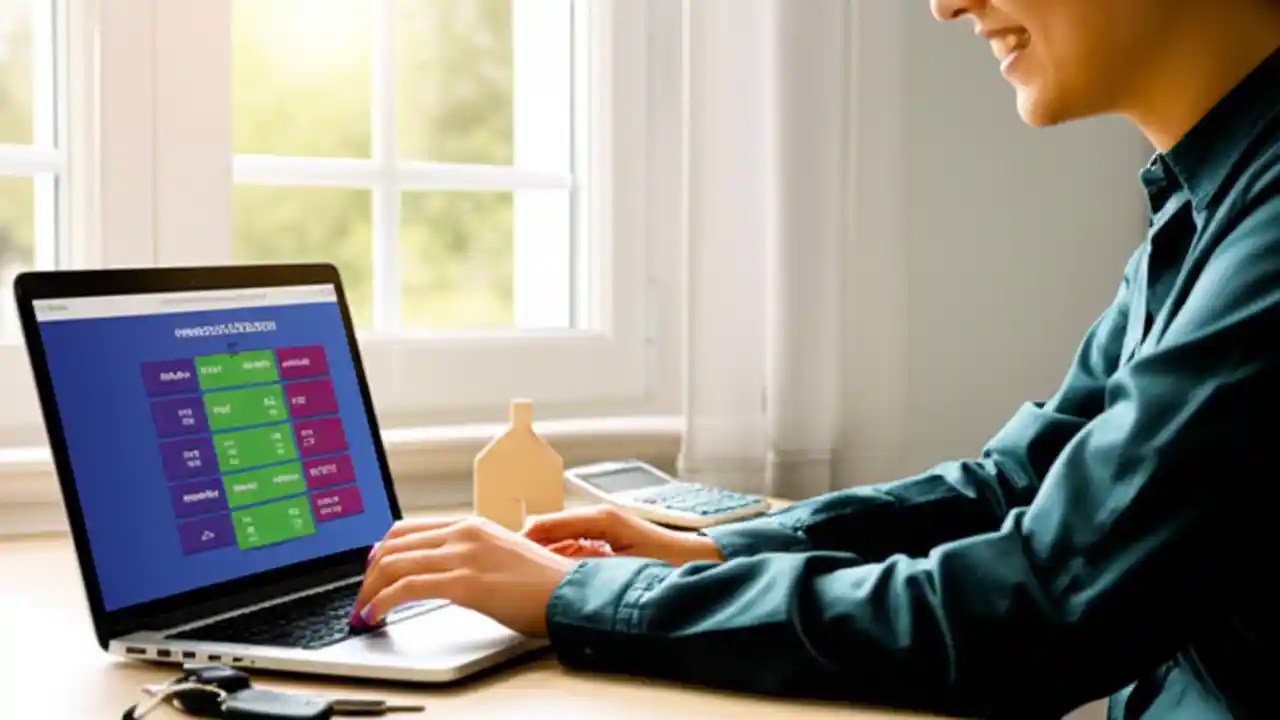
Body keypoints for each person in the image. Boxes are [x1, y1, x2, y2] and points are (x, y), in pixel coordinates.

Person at [350, 1, 1280, 717]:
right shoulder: (1209, 215)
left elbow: (1045, 602)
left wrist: (597, 598)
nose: (947, 3)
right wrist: (710, 549)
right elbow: (1015, 486)